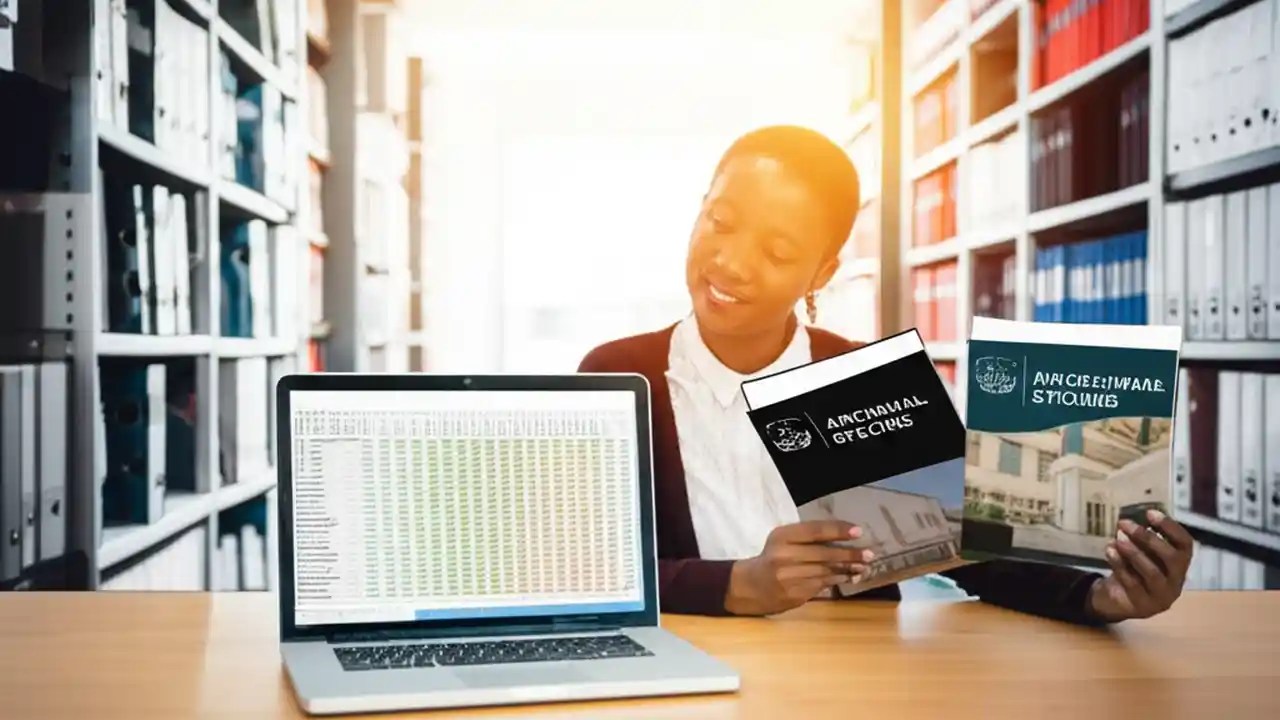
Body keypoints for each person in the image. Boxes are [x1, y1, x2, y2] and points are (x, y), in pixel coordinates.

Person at [576, 125, 1193, 623]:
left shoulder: (859, 379)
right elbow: (593, 568)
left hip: (855, 681)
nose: (732, 262)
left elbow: (972, 554)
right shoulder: (617, 374)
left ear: (821, 273)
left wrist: (1100, 597)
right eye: (721, 222)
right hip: (694, 671)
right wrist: (735, 585)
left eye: (779, 252)